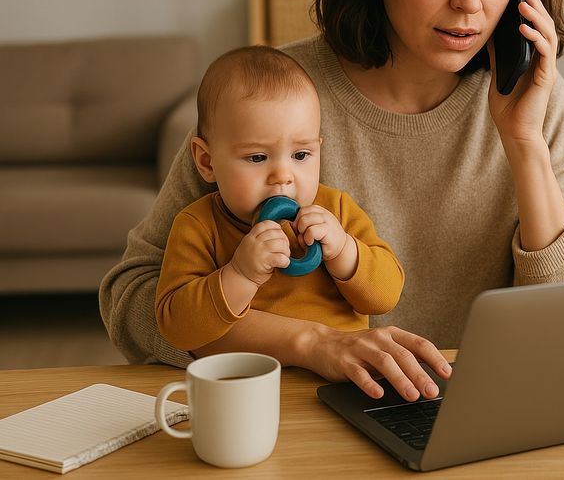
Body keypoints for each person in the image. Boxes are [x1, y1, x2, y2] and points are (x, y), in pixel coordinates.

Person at [100, 0, 564, 403]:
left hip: (489, 407)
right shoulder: (272, 100)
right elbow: (134, 302)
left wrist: (523, 144)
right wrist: (313, 344)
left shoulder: (535, 101)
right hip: (308, 415)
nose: (471, 1)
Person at [155, 46, 404, 352]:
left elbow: (387, 295)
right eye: (258, 157)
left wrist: (343, 250)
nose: (283, 175)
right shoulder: (199, 226)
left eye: (301, 155)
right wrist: (239, 275)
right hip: (248, 382)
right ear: (207, 162)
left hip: (345, 376)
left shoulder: (336, 210)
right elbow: (176, 327)